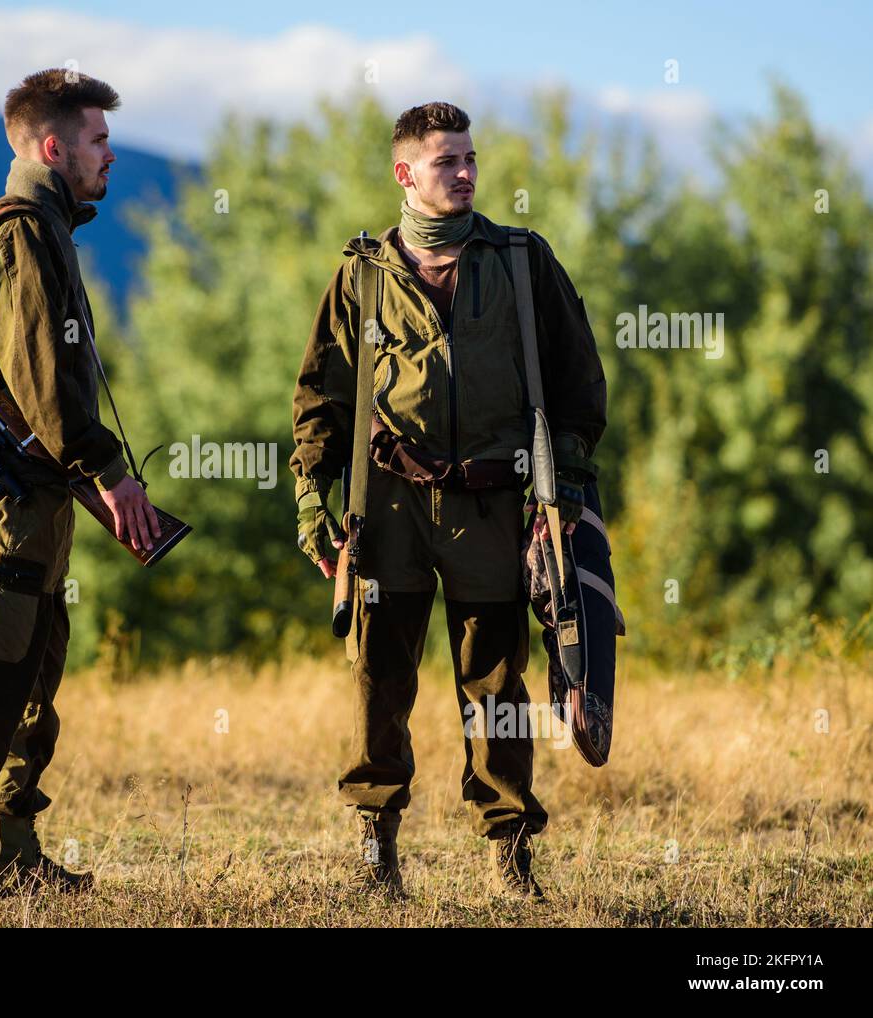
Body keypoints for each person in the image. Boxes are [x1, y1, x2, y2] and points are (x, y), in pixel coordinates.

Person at [290, 101, 606, 899]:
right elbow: (319, 396)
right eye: (446, 163)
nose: (465, 174)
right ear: (405, 173)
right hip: (388, 504)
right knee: (379, 678)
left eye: (470, 159)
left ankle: (508, 849)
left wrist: (563, 487)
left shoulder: (523, 261)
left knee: (497, 686)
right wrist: (309, 496)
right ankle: (376, 846)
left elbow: (579, 382)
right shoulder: (361, 274)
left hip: (498, 506)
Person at [0, 68, 158, 902]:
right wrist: (111, 475)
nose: (110, 155)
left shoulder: (46, 229)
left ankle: (16, 851)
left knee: (32, 670)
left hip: (37, 494)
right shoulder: (20, 233)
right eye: (97, 141)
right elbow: (45, 384)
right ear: (53, 148)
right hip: (8, 497)